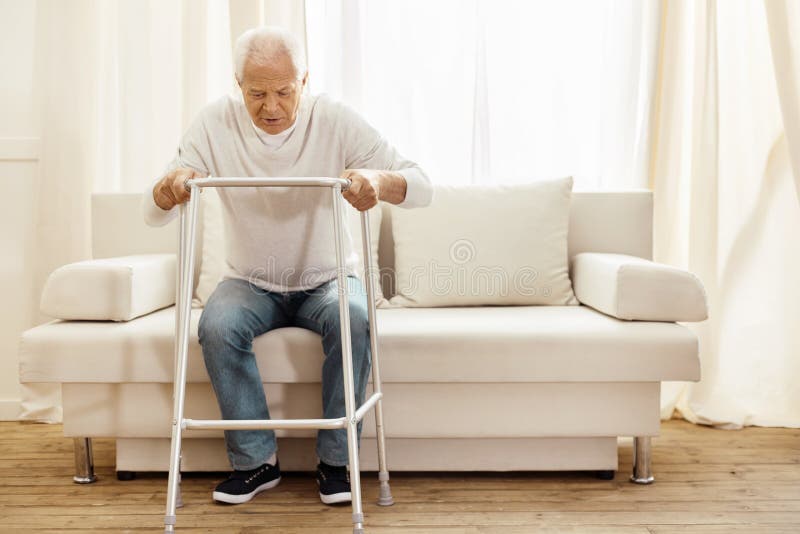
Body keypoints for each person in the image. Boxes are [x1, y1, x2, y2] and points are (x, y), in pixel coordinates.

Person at [142, 26, 432, 506]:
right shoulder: (215, 123)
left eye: (283, 91)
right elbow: (153, 212)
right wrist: (170, 186)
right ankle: (256, 462)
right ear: (238, 86)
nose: (271, 107)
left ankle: (337, 464)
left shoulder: (335, 119)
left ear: (304, 81)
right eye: (257, 93)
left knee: (355, 317)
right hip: (248, 281)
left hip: (328, 279)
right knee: (217, 325)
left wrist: (376, 181)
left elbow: (422, 186)